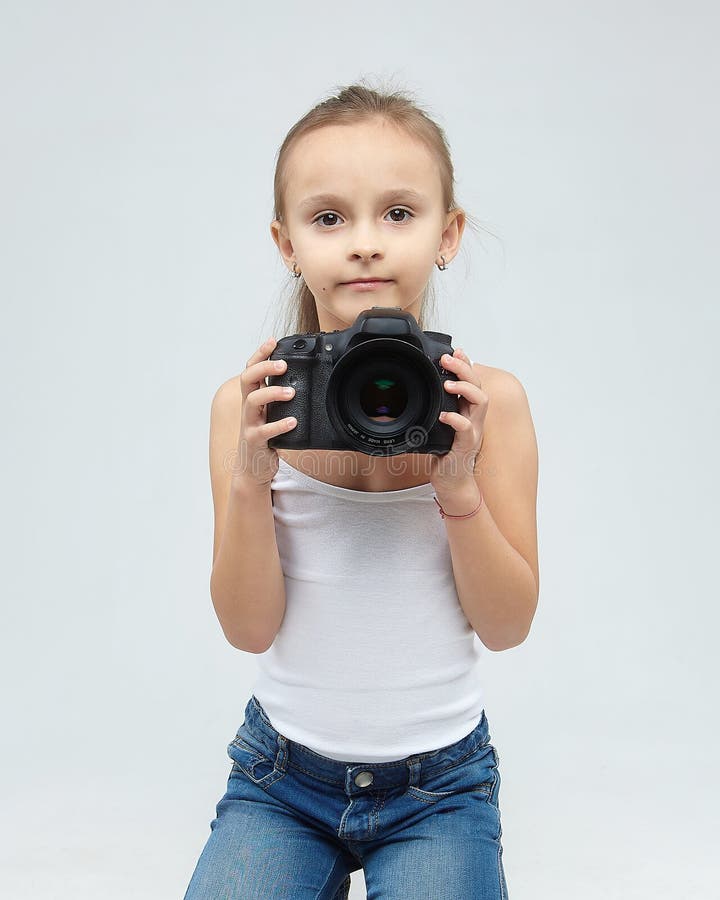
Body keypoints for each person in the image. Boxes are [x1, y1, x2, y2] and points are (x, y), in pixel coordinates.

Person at [183, 81, 539, 900]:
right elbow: (247, 628)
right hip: (281, 779)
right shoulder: (250, 408)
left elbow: (509, 624)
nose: (366, 245)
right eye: (330, 217)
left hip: (438, 790)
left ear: (448, 234)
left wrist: (460, 488)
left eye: (400, 213)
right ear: (288, 243)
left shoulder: (494, 406)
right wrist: (250, 483)